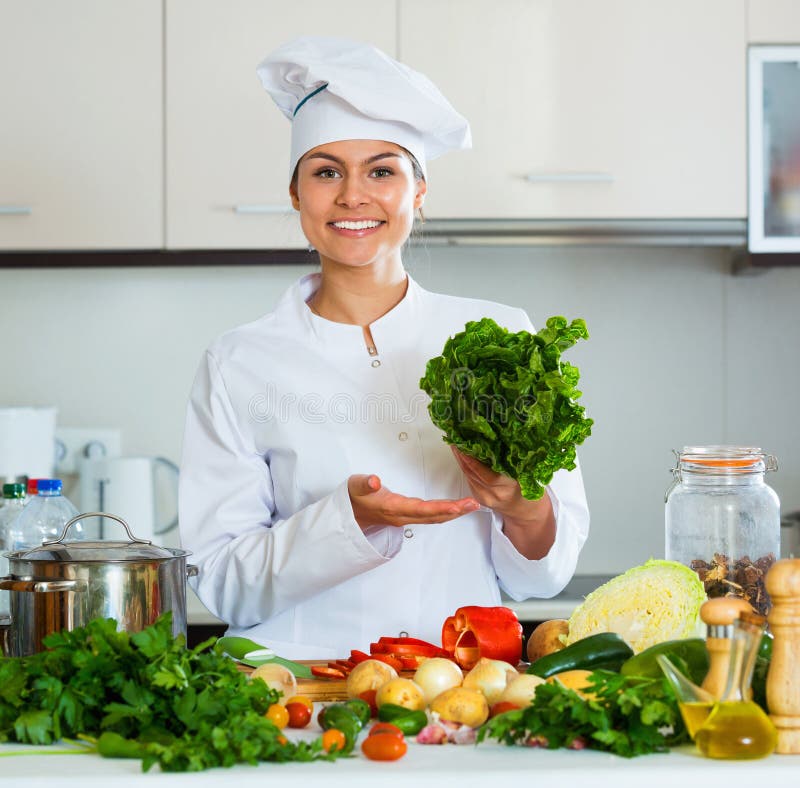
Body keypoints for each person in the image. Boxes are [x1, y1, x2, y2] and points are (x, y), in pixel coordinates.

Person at [179, 37, 589, 659]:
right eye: (326, 172)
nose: (352, 196)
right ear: (296, 195)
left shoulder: (504, 342)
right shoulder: (239, 363)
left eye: (381, 171)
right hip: (297, 696)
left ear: (418, 193)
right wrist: (351, 521)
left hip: (465, 688)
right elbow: (224, 587)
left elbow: (544, 577)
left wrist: (525, 507)